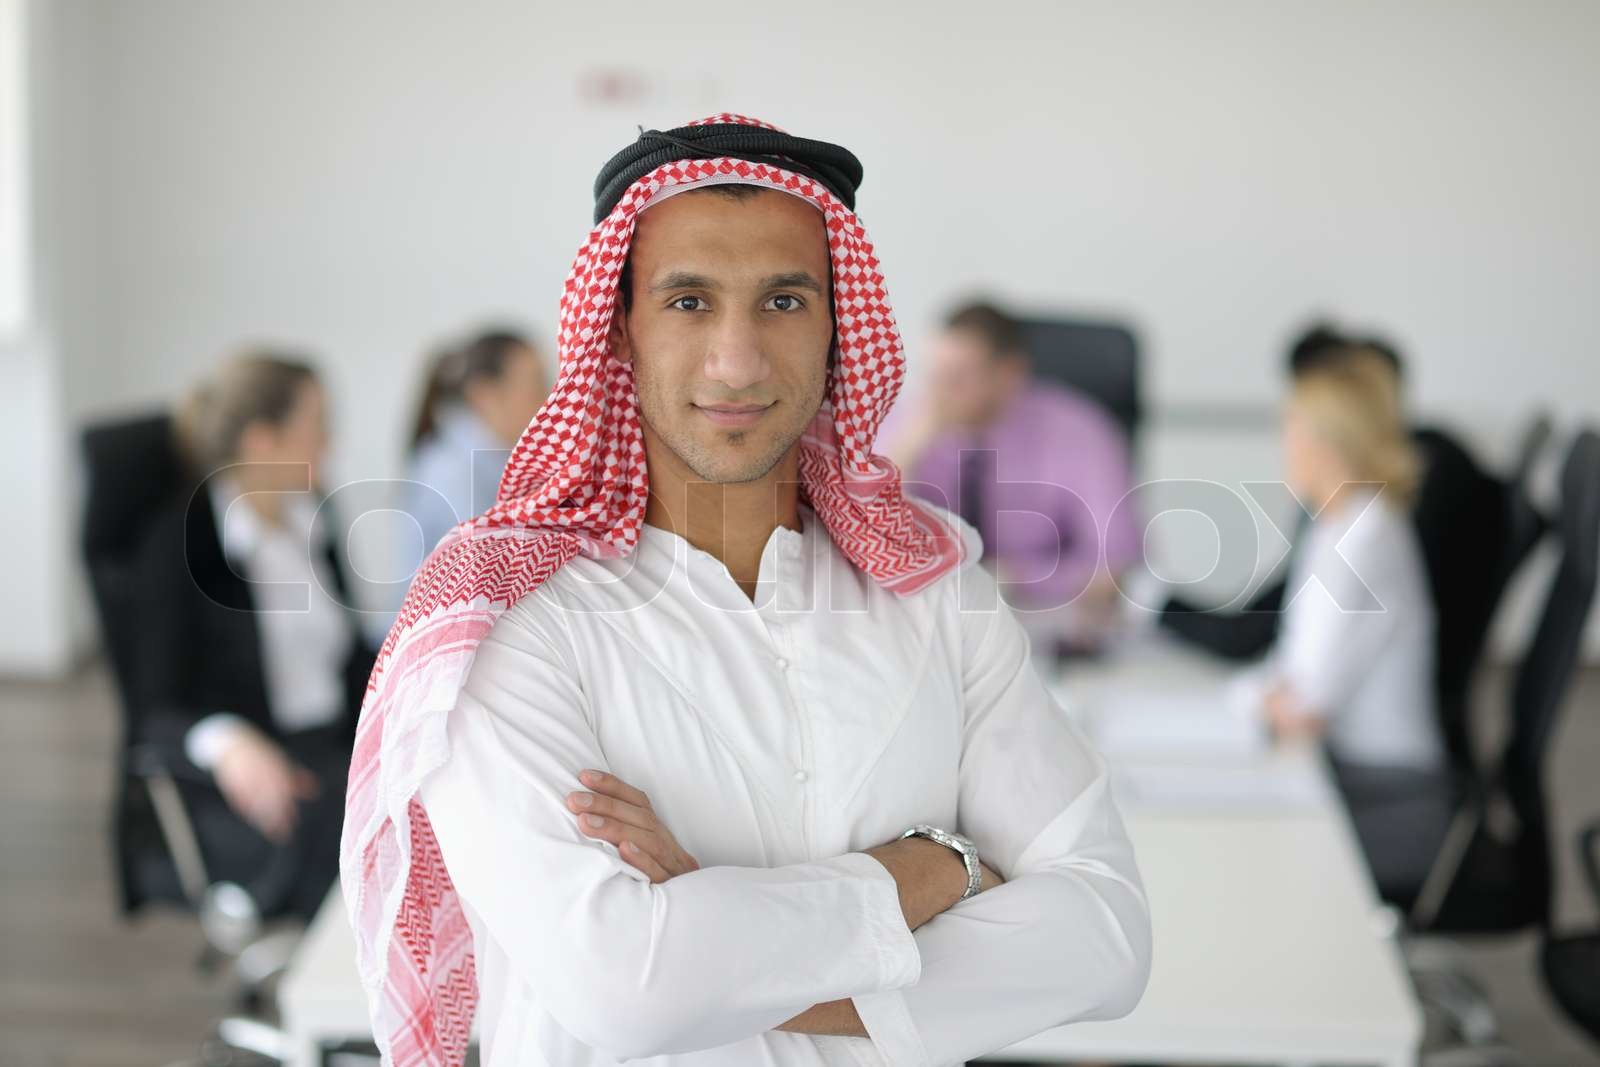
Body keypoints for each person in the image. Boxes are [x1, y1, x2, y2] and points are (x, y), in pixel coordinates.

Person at [341, 116, 1151, 1067]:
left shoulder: (936, 589)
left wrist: (712, 924)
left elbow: (1106, 936)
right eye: (688, 301)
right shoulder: (505, 619)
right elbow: (628, 991)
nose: (737, 359)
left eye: (783, 300)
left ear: (838, 328)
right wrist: (945, 866)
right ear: (619, 328)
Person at [132, 351, 374, 919]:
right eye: (316, 424)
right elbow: (153, 707)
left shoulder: (314, 518)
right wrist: (229, 743)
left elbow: (350, 652)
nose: (329, 442)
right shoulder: (181, 545)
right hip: (259, 765)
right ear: (263, 440)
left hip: (333, 742)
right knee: (367, 830)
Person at [1247, 350, 1452, 899]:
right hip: (1347, 775)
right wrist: (1267, 697)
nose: (1283, 446)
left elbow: (1302, 710)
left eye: (1291, 430)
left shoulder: (1366, 544)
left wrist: (1258, 701)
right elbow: (1289, 674)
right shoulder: (1339, 525)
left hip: (1389, 800)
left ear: (1327, 442)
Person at [886, 300, 1139, 653]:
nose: (940, 392)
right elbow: (864, 536)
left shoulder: (1078, 432)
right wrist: (909, 449)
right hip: (930, 632)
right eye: (936, 375)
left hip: (1044, 630)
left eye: (959, 377)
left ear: (1009, 373)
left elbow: (1117, 562)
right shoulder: (904, 425)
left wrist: (1016, 579)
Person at [402, 328, 548, 576]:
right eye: (534, 387)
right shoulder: (452, 472)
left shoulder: (495, 460)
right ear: (485, 396)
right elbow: (493, 571)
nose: (547, 399)